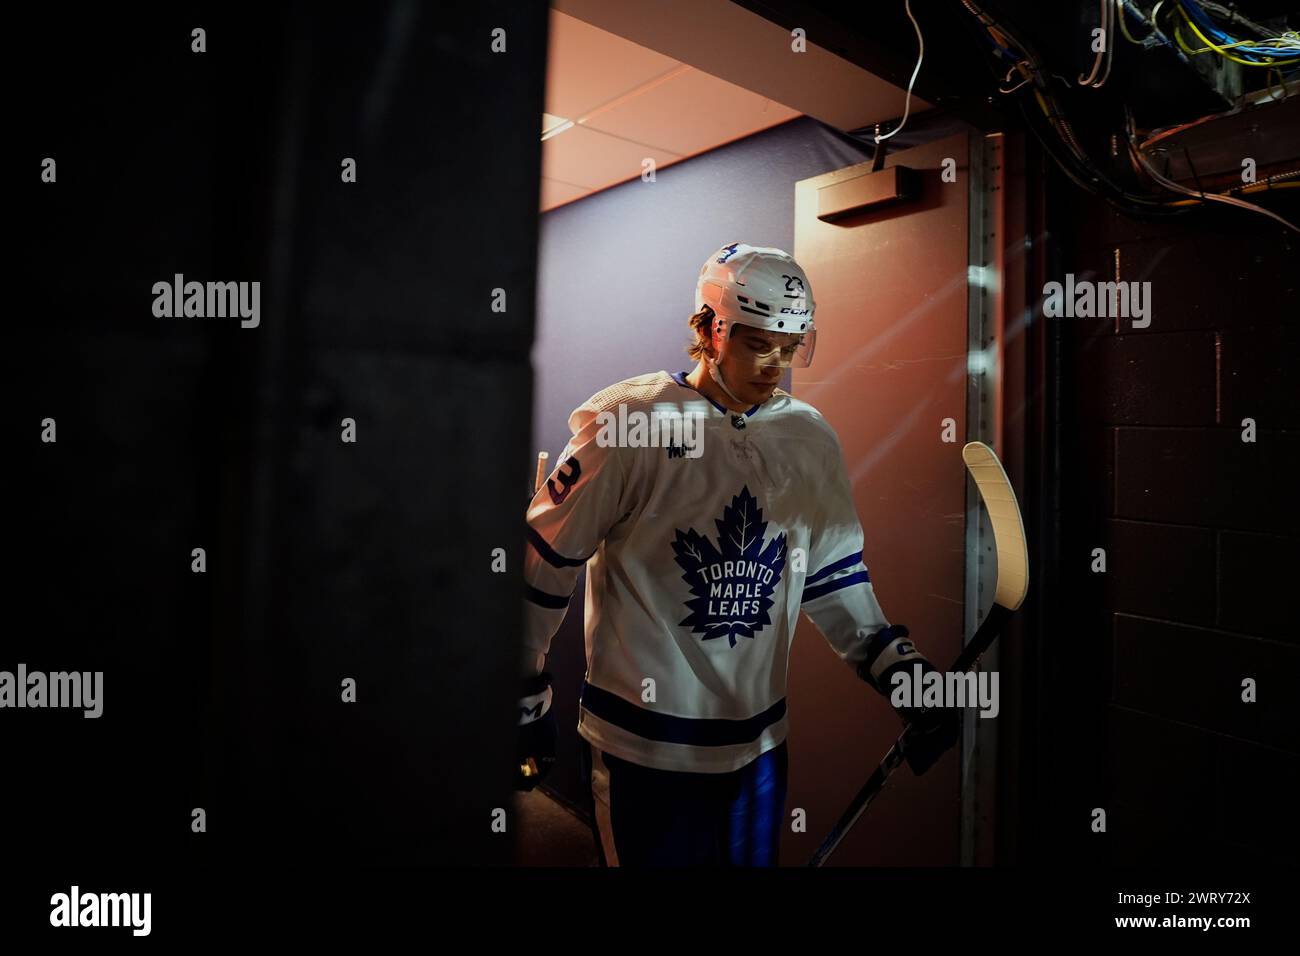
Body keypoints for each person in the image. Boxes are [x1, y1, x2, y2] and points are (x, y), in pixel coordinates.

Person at [516, 241, 958, 866]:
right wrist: (524, 687)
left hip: (758, 745)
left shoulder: (808, 436)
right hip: (645, 748)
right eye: (757, 342)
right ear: (707, 328)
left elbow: (832, 574)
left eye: (791, 344)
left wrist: (898, 668)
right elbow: (544, 563)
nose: (776, 362)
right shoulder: (630, 420)